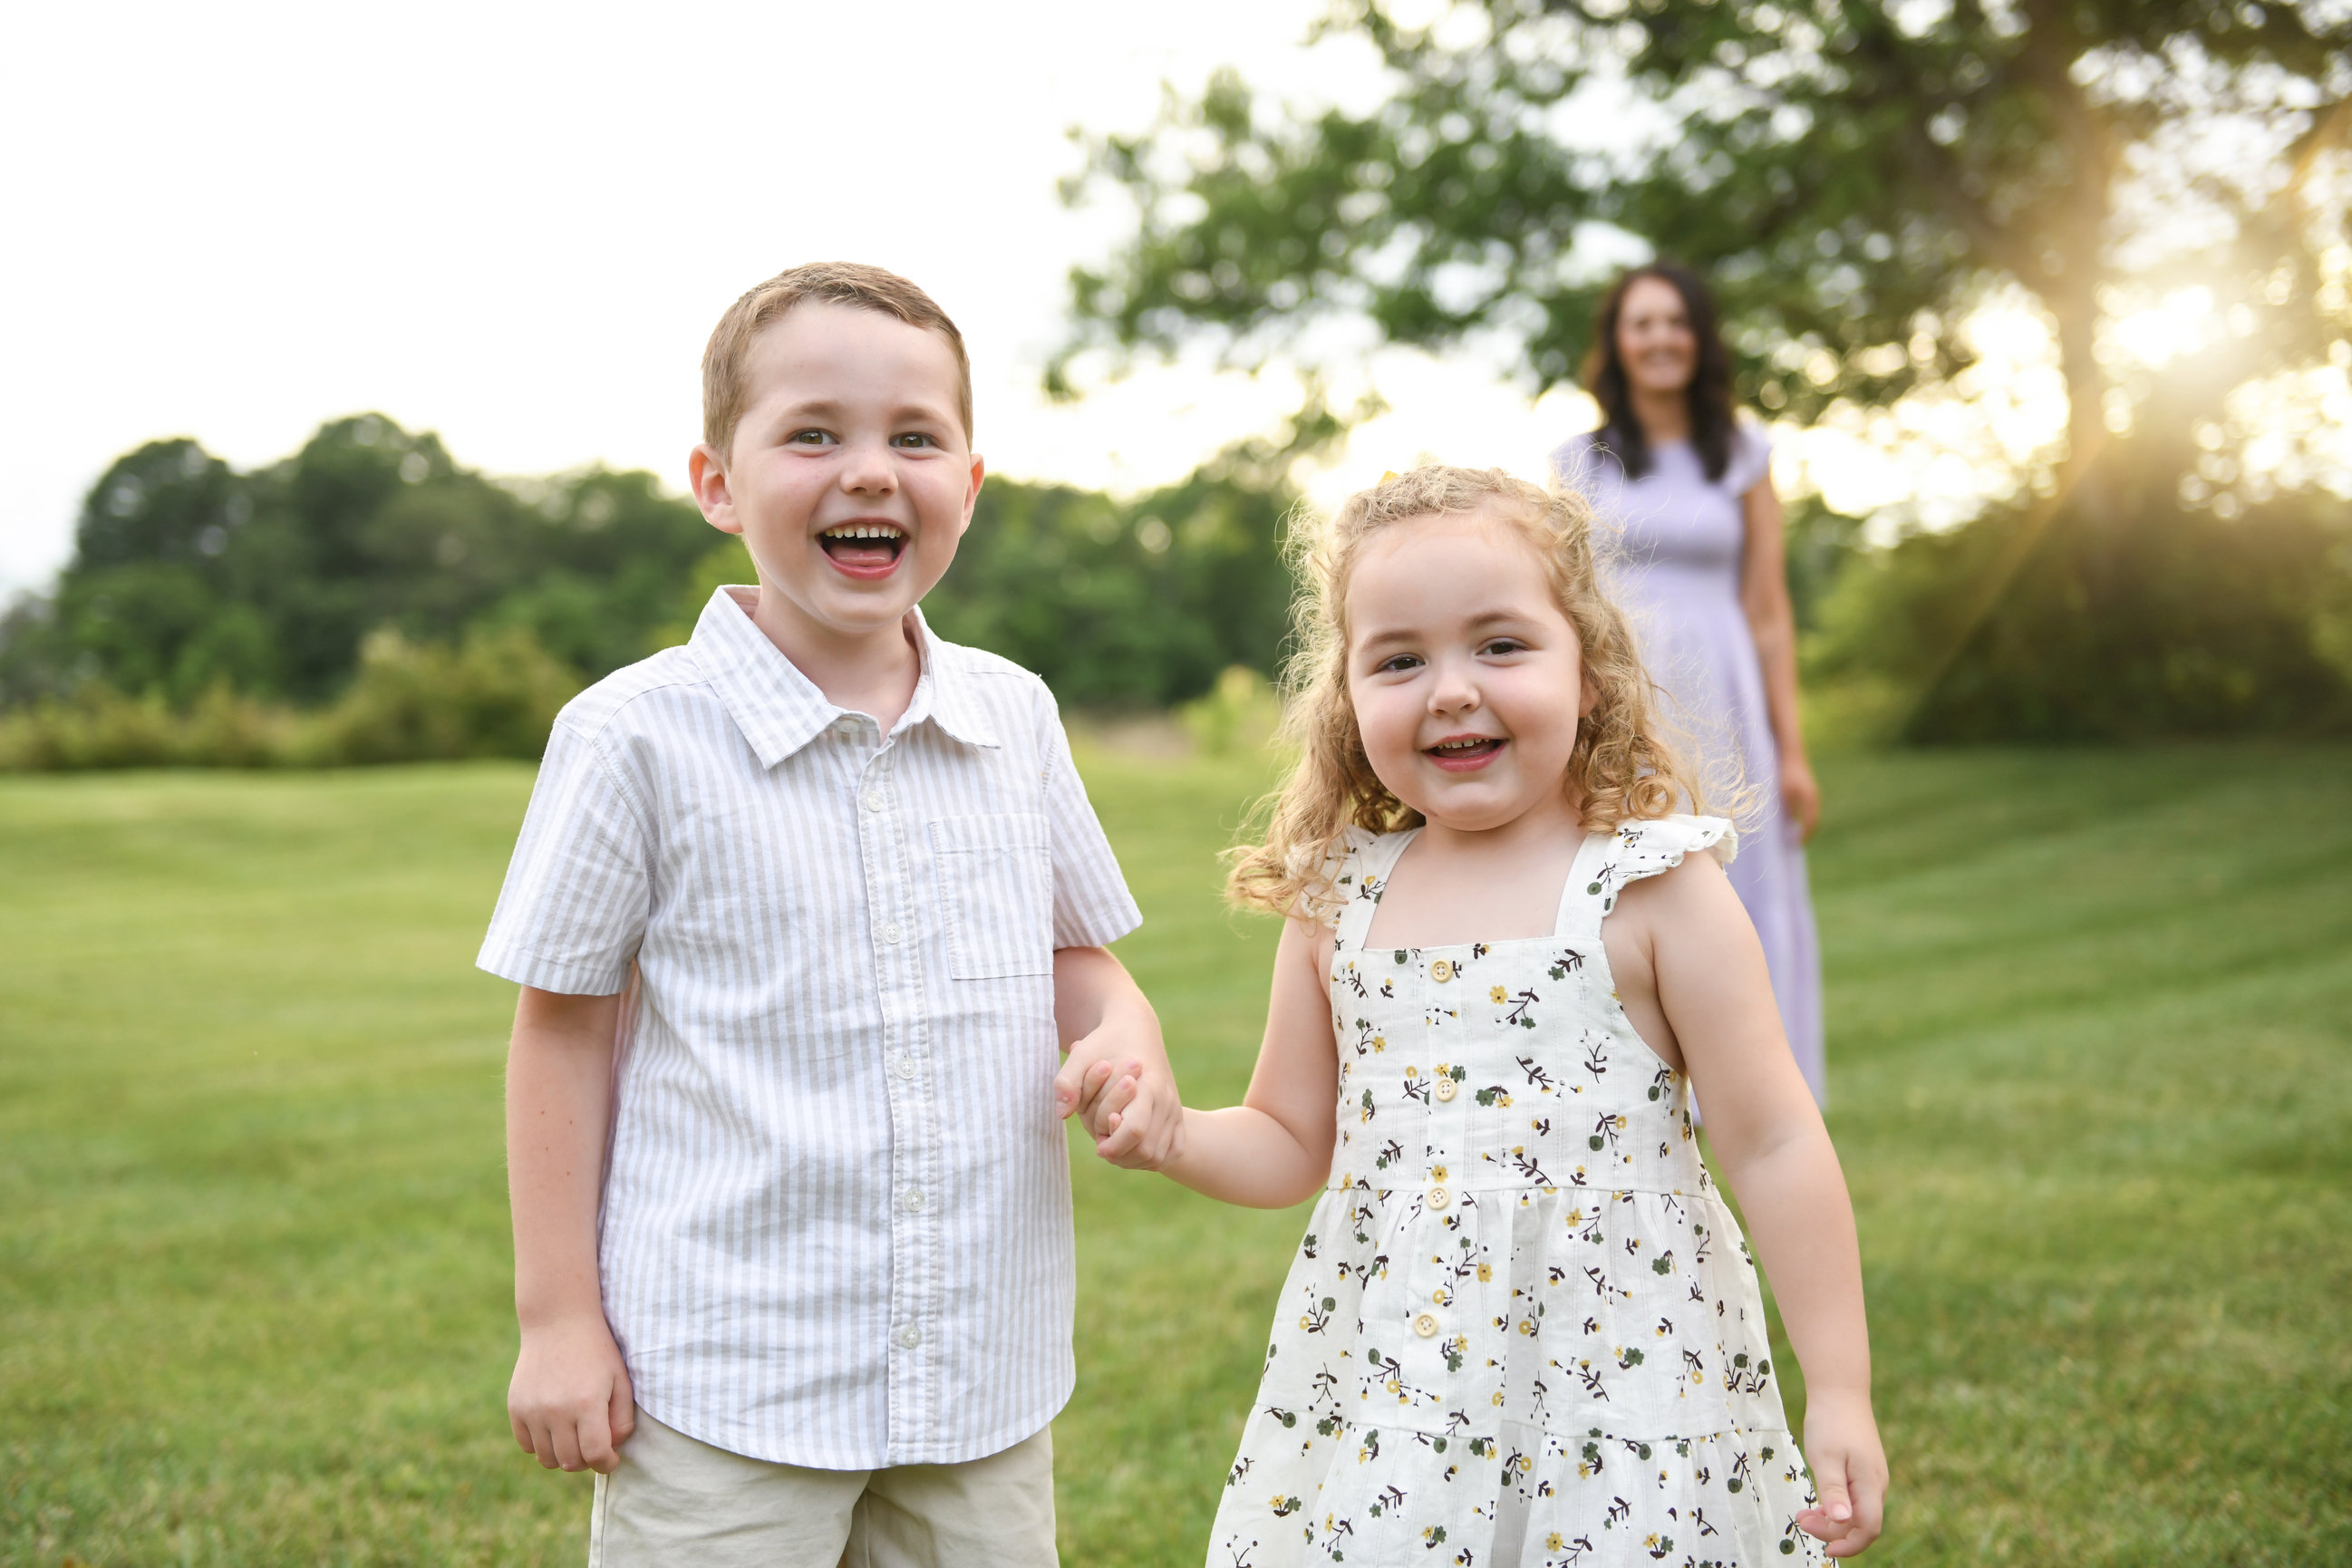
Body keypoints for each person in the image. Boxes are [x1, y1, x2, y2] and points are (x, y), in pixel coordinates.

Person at [480, 262, 1183, 1568]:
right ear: (715, 483)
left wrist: (1124, 1035)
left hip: (976, 1374)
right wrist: (556, 1318)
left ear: (966, 486)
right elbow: (562, 1031)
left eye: (914, 437)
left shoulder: (1010, 716)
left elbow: (1074, 957)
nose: (869, 470)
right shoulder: (634, 734)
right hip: (728, 1381)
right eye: (813, 433)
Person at [1081, 467, 1883, 1564]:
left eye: (1500, 645)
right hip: (1404, 1384)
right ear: (1348, 699)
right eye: (1400, 659)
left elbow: (1775, 1138)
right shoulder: (1339, 901)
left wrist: (1837, 1387)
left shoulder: (1651, 886)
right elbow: (1284, 1139)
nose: (1450, 689)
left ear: (1590, 671)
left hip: (1626, 1374)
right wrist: (1174, 1135)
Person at [1551, 264, 1827, 1105]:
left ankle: (1757, 1091)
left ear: (1699, 339)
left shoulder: (1742, 454)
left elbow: (1769, 611)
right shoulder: (1580, 461)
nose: (1660, 338)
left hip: (1729, 697)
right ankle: (1632, 1086)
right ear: (1617, 342)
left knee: (1743, 882)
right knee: (1625, 879)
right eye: (1641, 323)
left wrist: (1791, 747)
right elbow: (1563, 602)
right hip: (1626, 698)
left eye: (1676, 322)